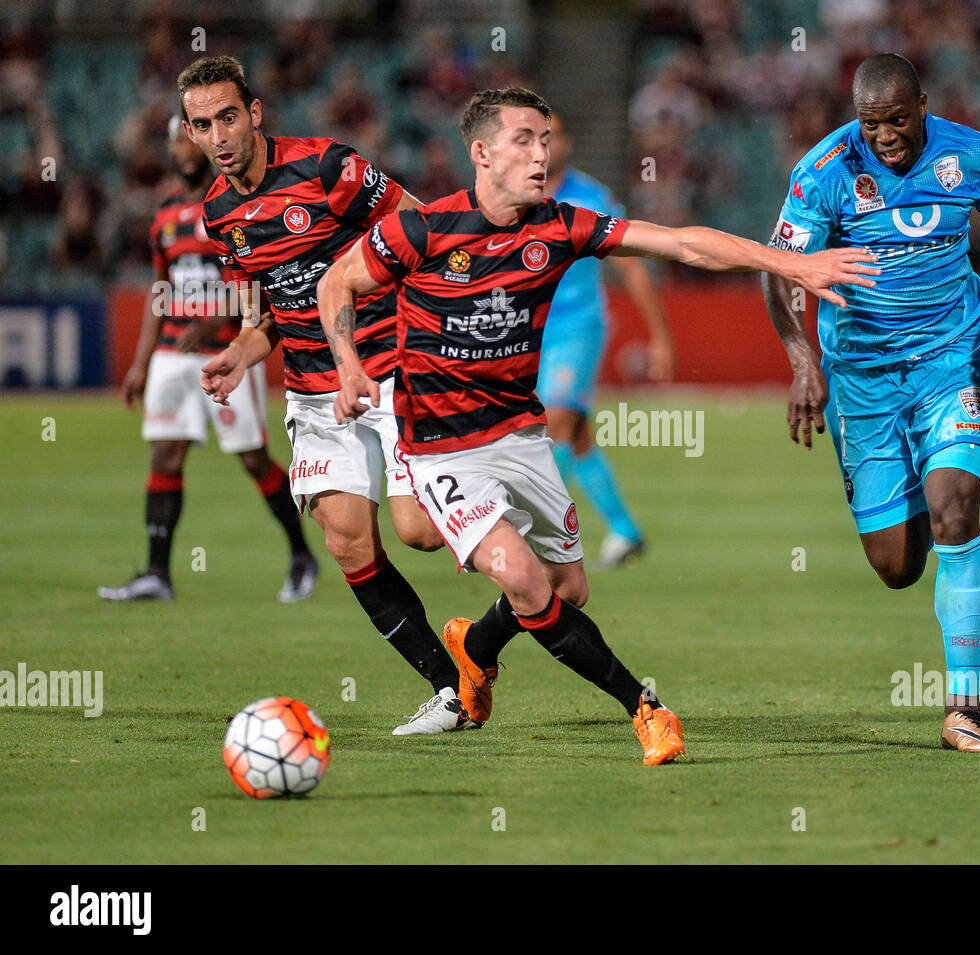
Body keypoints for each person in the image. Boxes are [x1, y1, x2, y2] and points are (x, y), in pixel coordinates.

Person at [317, 87, 877, 765]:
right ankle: (645, 708)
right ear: (482, 152)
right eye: (524, 139)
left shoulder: (560, 226)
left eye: (546, 139)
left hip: (521, 438)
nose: (540, 152)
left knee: (566, 590)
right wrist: (349, 367)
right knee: (523, 581)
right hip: (441, 451)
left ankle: (475, 648)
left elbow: (679, 244)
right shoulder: (422, 230)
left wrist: (792, 262)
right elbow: (336, 285)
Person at [761, 54, 980, 753]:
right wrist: (803, 360)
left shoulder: (970, 152)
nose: (883, 135)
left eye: (895, 119)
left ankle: (963, 708)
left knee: (956, 508)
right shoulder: (824, 172)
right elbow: (778, 270)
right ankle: (914, 484)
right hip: (863, 378)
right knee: (896, 565)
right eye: (869, 122)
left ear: (922, 104)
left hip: (952, 357)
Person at [177, 55, 464, 736]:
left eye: (226, 117)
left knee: (419, 532)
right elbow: (264, 312)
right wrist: (240, 354)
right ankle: (451, 689)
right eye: (200, 125)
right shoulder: (220, 214)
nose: (217, 135)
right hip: (313, 390)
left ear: (254, 113)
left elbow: (421, 226)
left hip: (395, 368)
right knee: (347, 543)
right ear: (188, 134)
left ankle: (514, 560)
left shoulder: (327, 167)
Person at [100, 116, 318, 604]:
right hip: (173, 355)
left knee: (251, 456)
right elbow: (161, 289)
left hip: (229, 351)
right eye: (175, 138)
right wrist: (140, 363)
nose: (181, 147)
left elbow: (257, 278)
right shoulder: (164, 216)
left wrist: (216, 317)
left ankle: (302, 556)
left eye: (188, 138)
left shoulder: (232, 208)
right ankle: (157, 573)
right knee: (165, 454)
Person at [539, 112, 674, 567]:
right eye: (536, 137)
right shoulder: (517, 195)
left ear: (567, 144)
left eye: (552, 136)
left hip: (576, 327)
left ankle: (544, 541)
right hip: (525, 331)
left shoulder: (592, 198)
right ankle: (624, 530)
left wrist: (659, 338)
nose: (544, 145)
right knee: (575, 435)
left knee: (552, 425)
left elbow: (631, 265)